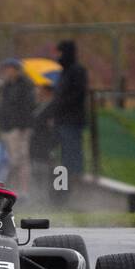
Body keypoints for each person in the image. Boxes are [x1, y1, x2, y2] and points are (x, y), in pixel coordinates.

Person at [48, 40, 88, 204]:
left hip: (72, 121)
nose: (57, 56)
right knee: (63, 160)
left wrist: (61, 105)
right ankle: (62, 194)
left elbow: (77, 95)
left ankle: (74, 195)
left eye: (59, 53)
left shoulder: (77, 71)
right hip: (62, 121)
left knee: (72, 158)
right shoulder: (64, 72)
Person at [0, 58, 35, 195]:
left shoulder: (25, 86)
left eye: (8, 69)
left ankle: (24, 190)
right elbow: (3, 105)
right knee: (11, 159)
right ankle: (14, 189)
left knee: (20, 160)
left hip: (19, 128)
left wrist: (22, 126)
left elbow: (27, 107)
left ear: (16, 70)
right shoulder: (7, 86)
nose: (6, 72)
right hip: (7, 127)